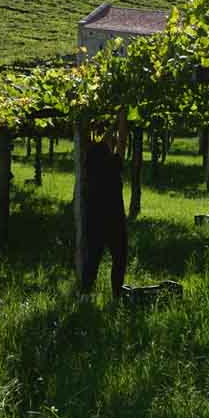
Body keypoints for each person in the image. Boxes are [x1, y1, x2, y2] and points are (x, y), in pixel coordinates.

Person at [80, 125, 128, 300]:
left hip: (94, 221)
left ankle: (85, 296)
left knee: (91, 259)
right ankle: (117, 294)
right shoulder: (113, 166)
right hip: (115, 221)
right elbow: (122, 142)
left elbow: (90, 144)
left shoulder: (89, 170)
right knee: (119, 260)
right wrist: (118, 121)